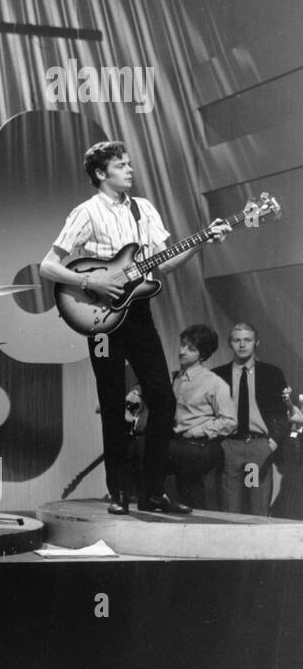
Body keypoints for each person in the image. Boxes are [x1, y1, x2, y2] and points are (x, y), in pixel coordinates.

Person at [39, 141, 229, 515]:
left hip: (138, 313)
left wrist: (203, 239)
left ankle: (152, 492)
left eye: (129, 164)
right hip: (101, 318)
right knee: (112, 403)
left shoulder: (144, 210)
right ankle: (119, 493)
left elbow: (167, 265)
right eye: (121, 165)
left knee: (163, 399)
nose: (130, 170)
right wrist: (89, 283)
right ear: (100, 174)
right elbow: (48, 266)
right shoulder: (87, 212)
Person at [212, 322, 300, 516]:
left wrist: (273, 443)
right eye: (237, 340)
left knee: (257, 510)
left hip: (259, 446)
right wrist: (220, 443)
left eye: (247, 340)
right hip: (229, 447)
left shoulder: (272, 373)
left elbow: (284, 411)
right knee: (230, 511)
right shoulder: (217, 376)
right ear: (230, 343)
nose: (242, 345)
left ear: (256, 343)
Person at [166, 323, 236, 510]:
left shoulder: (214, 383)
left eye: (191, 348)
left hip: (200, 446)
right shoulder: (174, 378)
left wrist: (197, 431)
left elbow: (229, 421)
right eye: (182, 345)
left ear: (202, 354)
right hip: (177, 444)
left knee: (192, 492)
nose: (182, 351)